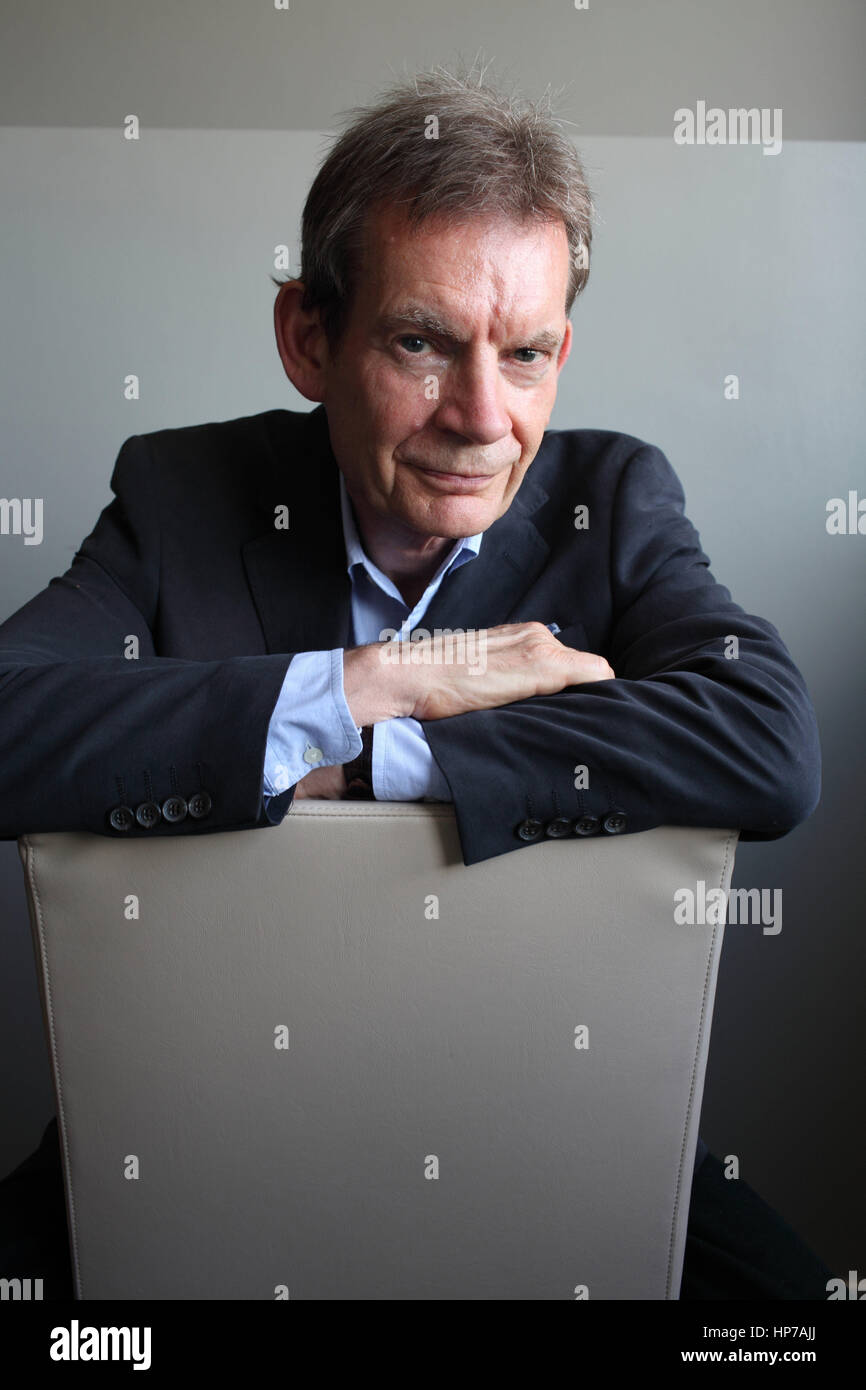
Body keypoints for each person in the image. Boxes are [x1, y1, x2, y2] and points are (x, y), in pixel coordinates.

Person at [0, 65, 831, 1298]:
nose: (482, 417)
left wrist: (374, 750)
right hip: (200, 1110)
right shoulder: (182, 497)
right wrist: (372, 680)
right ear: (308, 337)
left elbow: (768, 742)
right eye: (419, 343)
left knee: (789, 1318)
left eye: (528, 352)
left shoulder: (616, 496)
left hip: (551, 1106)